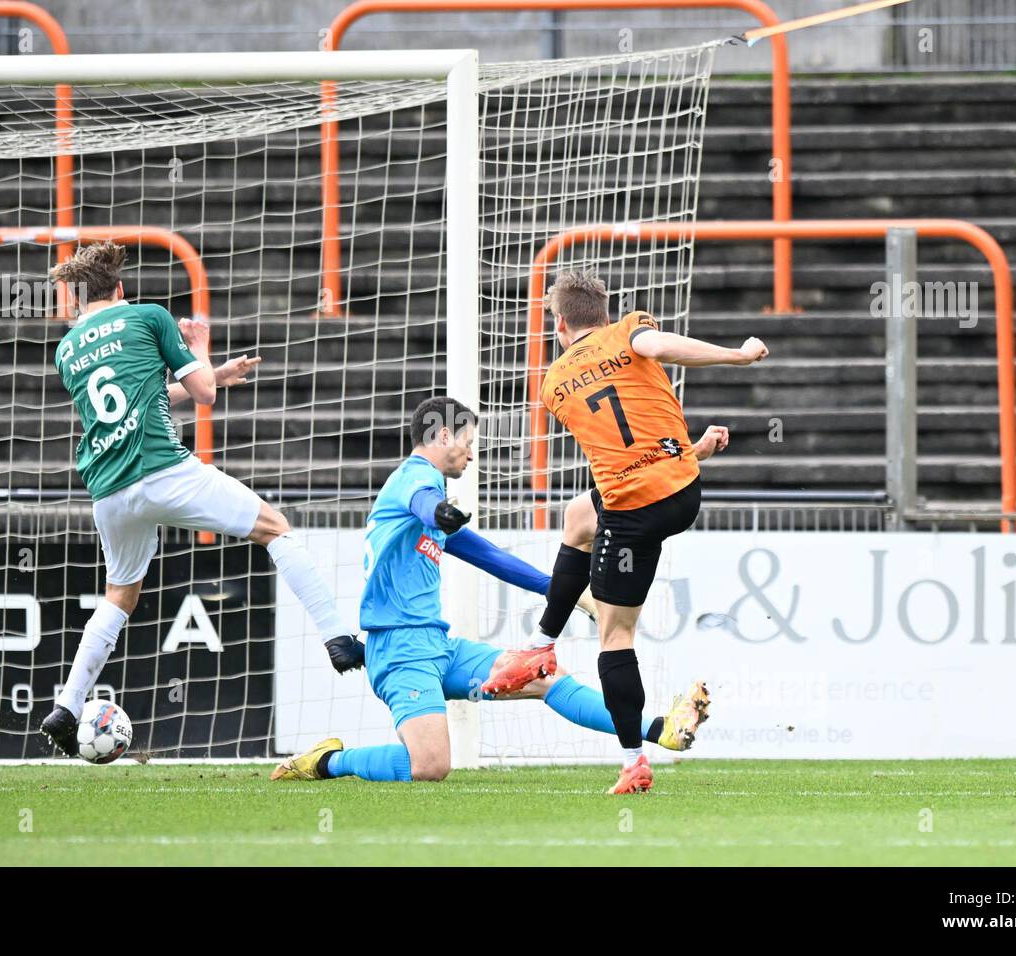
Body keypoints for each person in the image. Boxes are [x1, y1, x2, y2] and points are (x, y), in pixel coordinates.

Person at [270, 396, 710, 783]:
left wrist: (567, 592)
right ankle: (327, 762)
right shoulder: (414, 479)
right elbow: (423, 503)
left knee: (543, 676)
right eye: (468, 442)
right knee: (429, 767)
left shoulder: (427, 500)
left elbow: (492, 558)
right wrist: (439, 511)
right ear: (442, 434)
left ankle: (659, 730)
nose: (472, 455)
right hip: (400, 651)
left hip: (437, 646)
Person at [40, 241, 360, 755]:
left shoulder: (69, 347)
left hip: (108, 488)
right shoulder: (149, 316)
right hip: (163, 469)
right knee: (274, 527)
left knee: (119, 595)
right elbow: (204, 393)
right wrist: (204, 351)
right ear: (120, 288)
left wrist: (216, 375)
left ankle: (67, 707)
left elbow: (141, 396)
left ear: (77, 300)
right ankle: (337, 637)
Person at [481, 272, 767, 793]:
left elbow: (614, 432)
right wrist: (737, 357)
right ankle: (540, 645)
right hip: (682, 488)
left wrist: (734, 356)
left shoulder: (552, 386)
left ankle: (634, 761)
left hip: (634, 511)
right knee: (578, 517)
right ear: (606, 314)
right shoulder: (631, 330)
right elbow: (654, 357)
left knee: (615, 637)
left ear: (561, 324)